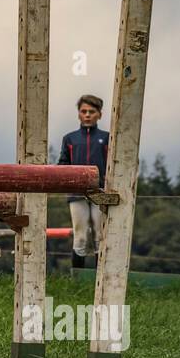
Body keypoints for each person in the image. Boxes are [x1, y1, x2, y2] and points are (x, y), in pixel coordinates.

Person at [57, 94, 108, 268]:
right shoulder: (69, 139)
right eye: (83, 111)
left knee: (100, 235)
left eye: (92, 111)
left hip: (101, 193)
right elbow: (63, 164)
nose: (87, 115)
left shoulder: (107, 138)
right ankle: (77, 279)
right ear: (78, 114)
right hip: (76, 194)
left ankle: (100, 280)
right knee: (80, 236)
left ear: (100, 114)